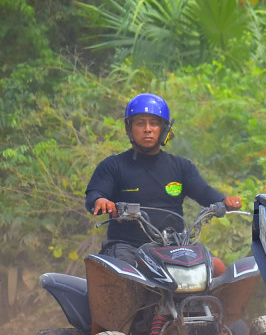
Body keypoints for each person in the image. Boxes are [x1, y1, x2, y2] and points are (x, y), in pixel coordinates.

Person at [85, 93, 242, 272]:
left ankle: (210, 302)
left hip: (174, 246)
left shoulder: (181, 166)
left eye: (154, 123)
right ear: (129, 129)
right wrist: (101, 201)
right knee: (122, 275)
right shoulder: (113, 165)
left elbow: (203, 192)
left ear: (165, 129)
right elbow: (94, 195)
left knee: (218, 268)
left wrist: (224, 201)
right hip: (128, 247)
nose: (147, 129)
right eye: (140, 123)